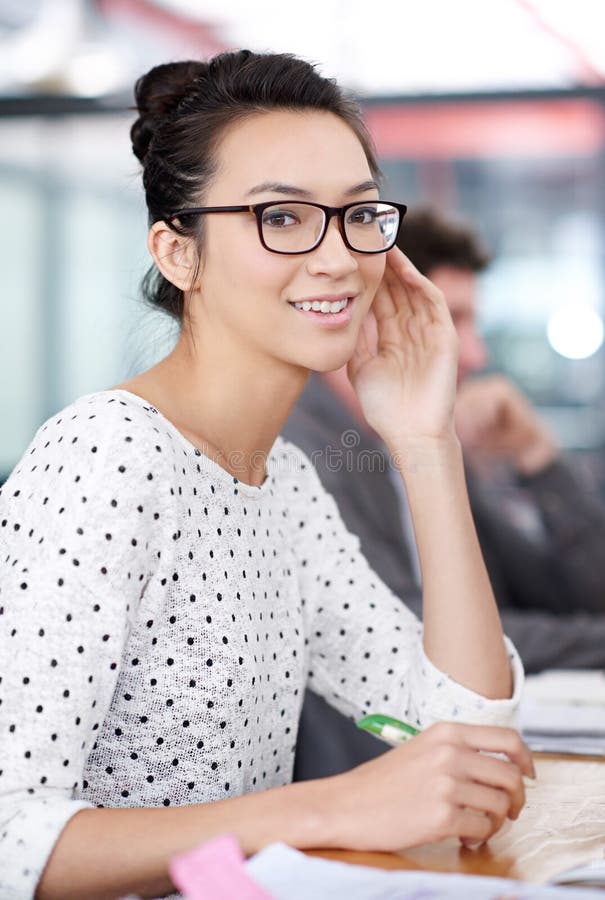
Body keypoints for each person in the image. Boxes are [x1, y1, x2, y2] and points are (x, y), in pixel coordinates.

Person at [0, 53, 533, 900]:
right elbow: (9, 835)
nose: (336, 258)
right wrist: (323, 810)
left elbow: (472, 741)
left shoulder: (281, 481)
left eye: (358, 213)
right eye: (281, 217)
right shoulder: (106, 457)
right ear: (179, 254)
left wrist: (423, 437)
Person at [285, 205, 605, 782]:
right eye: (453, 319)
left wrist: (541, 460)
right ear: (379, 311)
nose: (476, 355)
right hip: (371, 782)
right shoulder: (307, 447)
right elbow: (409, 631)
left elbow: (574, 591)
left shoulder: (417, 437)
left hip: (462, 753)